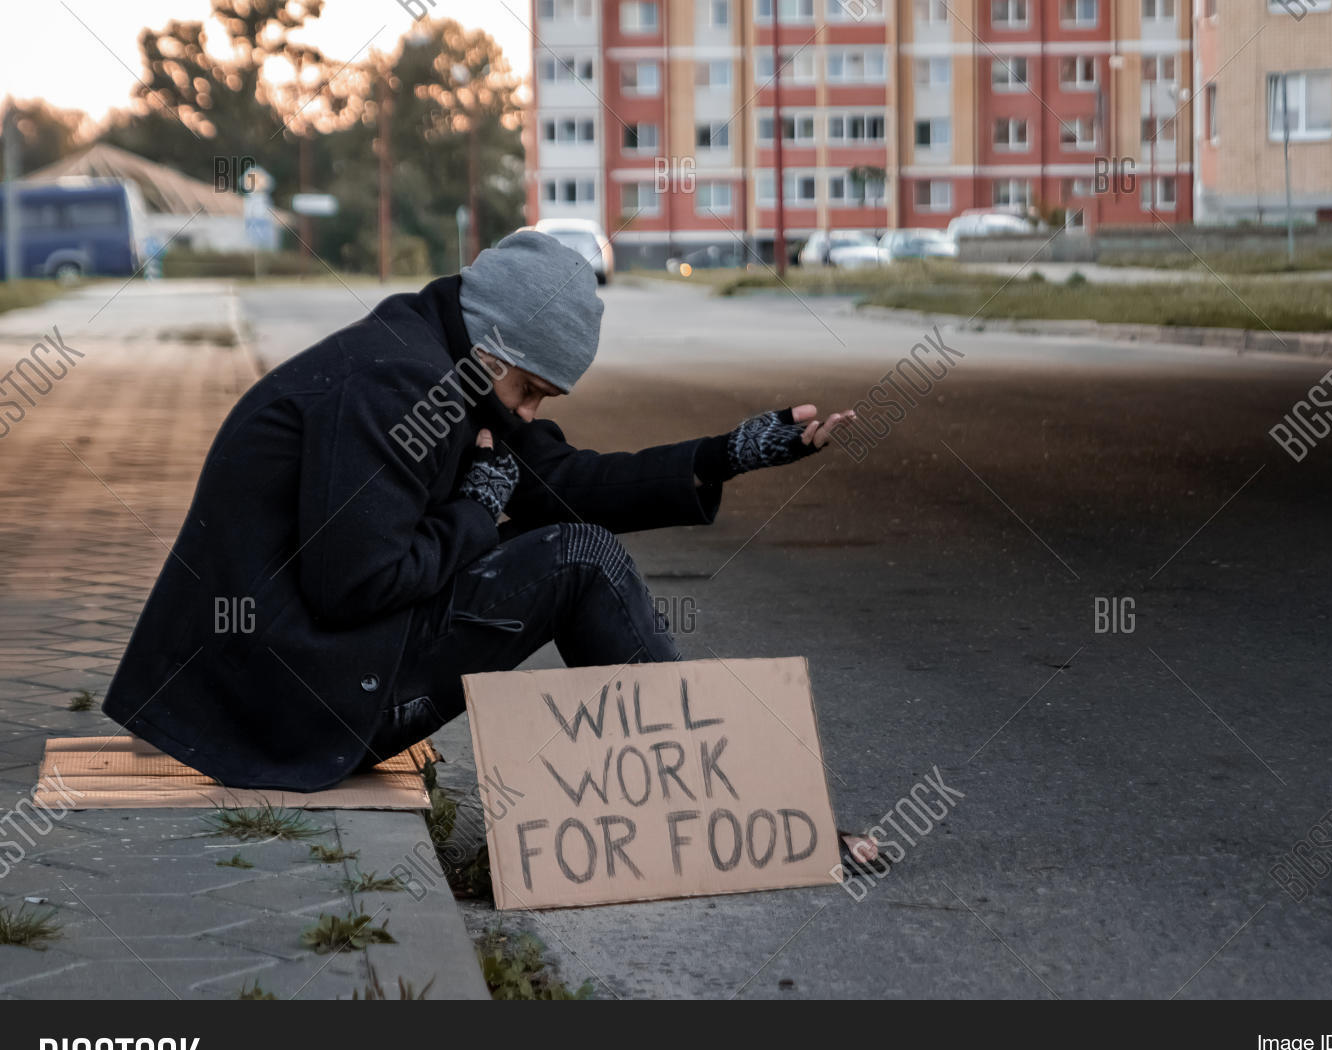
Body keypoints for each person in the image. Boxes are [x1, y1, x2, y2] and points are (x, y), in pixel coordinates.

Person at [103, 231, 859, 806]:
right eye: (530, 390)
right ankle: (734, 803)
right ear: (495, 346)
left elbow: (566, 482)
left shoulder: (452, 367)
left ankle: (723, 797)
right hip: (292, 709)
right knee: (579, 558)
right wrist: (476, 509)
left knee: (572, 545)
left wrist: (727, 454)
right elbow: (353, 584)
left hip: (294, 682)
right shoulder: (398, 386)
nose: (527, 413)